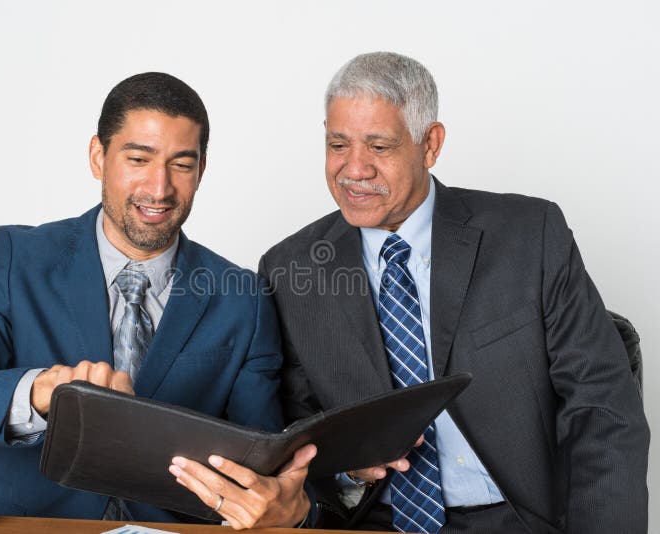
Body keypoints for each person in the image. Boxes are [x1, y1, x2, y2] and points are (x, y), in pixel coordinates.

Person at [253, 52, 648, 532]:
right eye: (338, 144)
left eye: (379, 146)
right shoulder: (289, 269)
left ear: (430, 144)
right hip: (375, 524)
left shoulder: (531, 236)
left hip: (516, 522)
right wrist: (347, 472)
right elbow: (291, 436)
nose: (354, 169)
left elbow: (603, 411)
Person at [0, 72, 309, 525]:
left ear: (201, 170)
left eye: (181, 164)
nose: (159, 188)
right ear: (98, 156)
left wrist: (285, 505)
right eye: (138, 159)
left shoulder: (243, 298)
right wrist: (42, 391)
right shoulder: (15, 259)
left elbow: (264, 464)